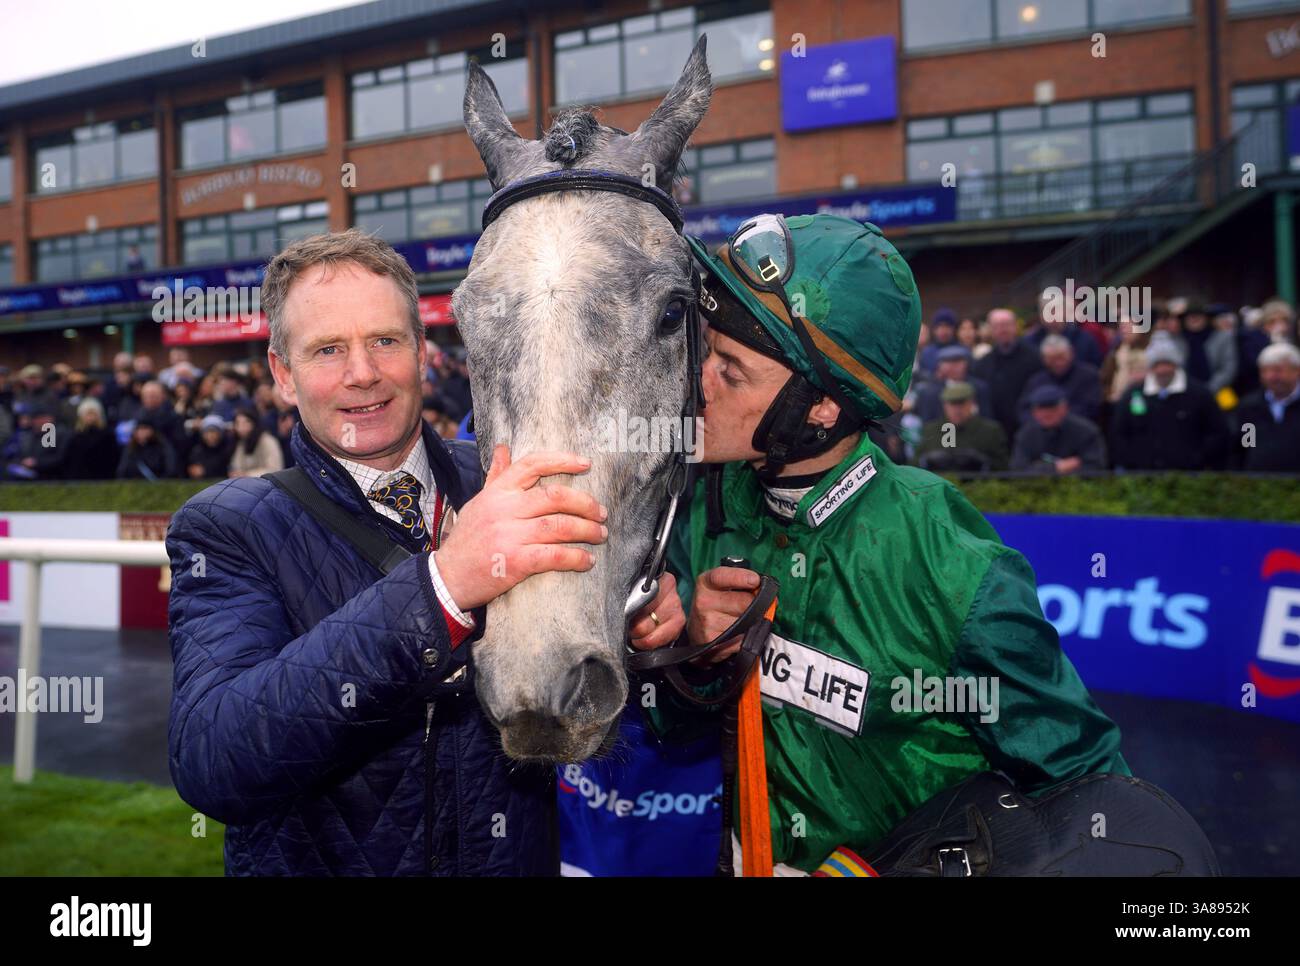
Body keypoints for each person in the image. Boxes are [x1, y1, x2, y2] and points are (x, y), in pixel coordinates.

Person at [619, 213, 1130, 874]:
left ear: (821, 407)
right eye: (706, 352)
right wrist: (690, 657)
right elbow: (673, 733)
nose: (698, 385)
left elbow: (1092, 792)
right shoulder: (701, 504)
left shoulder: (945, 559)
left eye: (731, 371)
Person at [166, 229, 618, 875]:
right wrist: (444, 586)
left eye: (385, 340)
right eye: (327, 350)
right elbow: (215, 759)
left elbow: (604, 705)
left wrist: (673, 654)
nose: (363, 373)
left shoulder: (508, 480)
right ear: (282, 375)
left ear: (423, 352)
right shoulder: (226, 526)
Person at [1109, 337, 1228, 471]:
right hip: (1143, 474)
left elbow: (1217, 432)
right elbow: (1119, 432)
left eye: (1167, 364)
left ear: (1176, 364)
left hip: (1190, 475)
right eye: (1157, 365)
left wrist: (1197, 459)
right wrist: (1131, 462)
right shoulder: (1133, 394)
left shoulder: (1200, 394)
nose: (1162, 370)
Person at [972, 307, 1041, 442]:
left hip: (1029, 428)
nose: (1003, 330)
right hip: (996, 431)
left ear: (1015, 326)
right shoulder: (982, 364)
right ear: (991, 330)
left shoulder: (1035, 358)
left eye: (1007, 325)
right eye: (997, 326)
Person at [1233, 342, 1300, 473]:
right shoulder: (1249, 407)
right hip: (1258, 484)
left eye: (1278, 370)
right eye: (1265, 371)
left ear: (1296, 370)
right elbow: (1245, 446)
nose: (1271, 377)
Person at [1011, 385, 1106, 475]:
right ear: (1033, 412)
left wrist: (1039, 468)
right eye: (1041, 409)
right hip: (1036, 488)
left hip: (1078, 488)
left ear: (1064, 408)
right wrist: (1055, 468)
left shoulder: (1086, 431)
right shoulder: (1027, 434)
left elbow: (1096, 467)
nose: (1046, 414)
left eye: (1052, 409)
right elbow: (1018, 470)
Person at [915, 381, 1009, 471]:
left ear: (972, 404)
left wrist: (982, 462)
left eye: (962, 404)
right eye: (952, 405)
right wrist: (927, 460)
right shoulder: (931, 431)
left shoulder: (990, 431)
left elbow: (1003, 468)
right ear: (945, 406)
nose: (957, 410)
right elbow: (915, 466)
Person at [1017, 334, 1103, 425]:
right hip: (1040, 432)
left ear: (1071, 353)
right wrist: (1041, 421)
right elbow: (1024, 410)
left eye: (1061, 357)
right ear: (1044, 359)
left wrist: (1056, 419)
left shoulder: (1088, 376)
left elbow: (1090, 408)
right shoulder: (1036, 381)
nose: (1058, 362)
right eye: (1052, 359)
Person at [909, 344, 993, 424]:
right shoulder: (930, 392)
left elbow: (986, 417)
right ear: (940, 366)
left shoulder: (980, 388)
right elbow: (927, 422)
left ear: (967, 363)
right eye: (947, 362)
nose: (953, 366)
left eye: (958, 361)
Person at [63, 398, 119, 480]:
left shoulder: (108, 436)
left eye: (93, 414)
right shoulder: (75, 438)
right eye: (88, 414)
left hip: (103, 478)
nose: (91, 418)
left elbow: (113, 460)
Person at [227, 408, 285, 478]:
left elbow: (275, 469)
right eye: (237, 423)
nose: (241, 427)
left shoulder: (268, 441)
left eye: (246, 422)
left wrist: (247, 474)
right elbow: (236, 465)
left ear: (254, 423)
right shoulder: (241, 442)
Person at [116, 415, 178, 480]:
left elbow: (170, 469)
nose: (141, 432)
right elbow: (122, 471)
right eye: (138, 429)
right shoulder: (130, 449)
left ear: (152, 430)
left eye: (145, 428)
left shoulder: (163, 447)